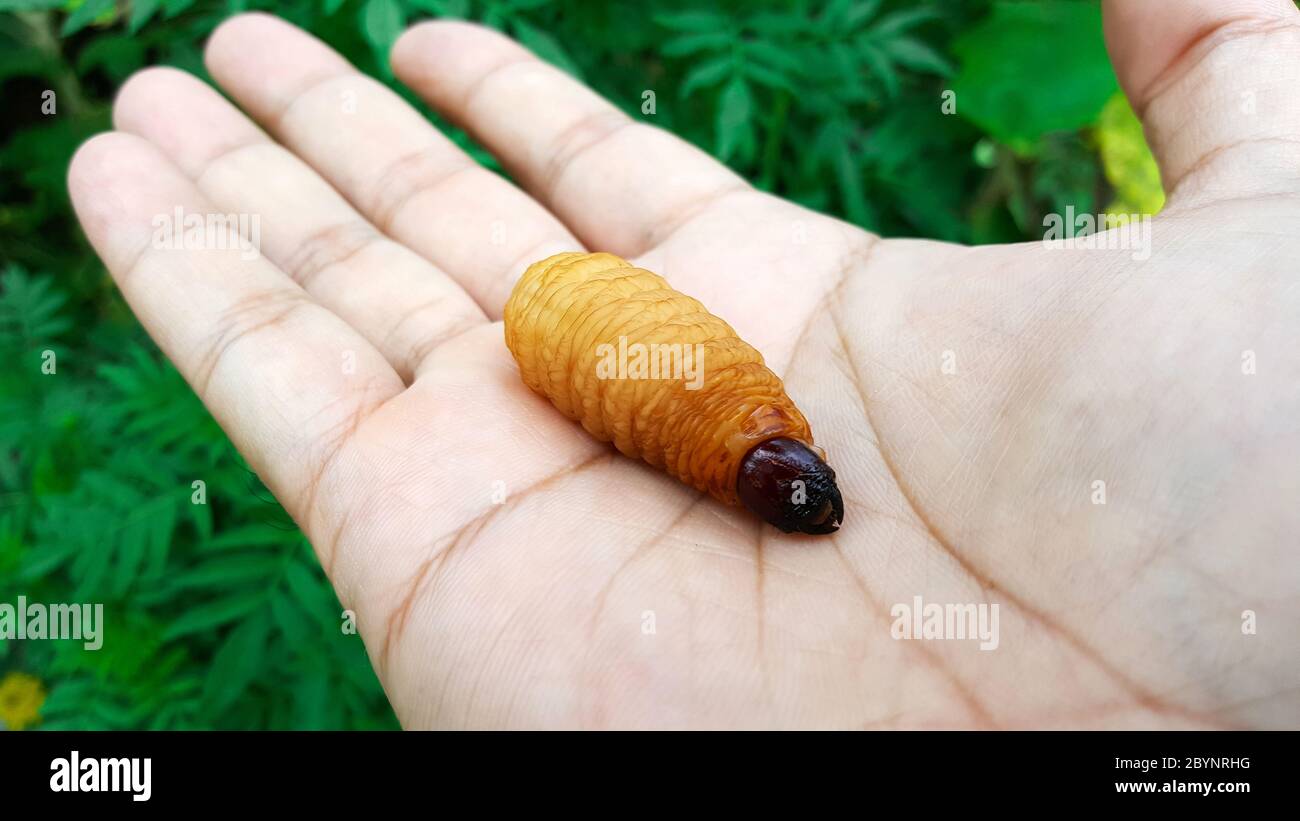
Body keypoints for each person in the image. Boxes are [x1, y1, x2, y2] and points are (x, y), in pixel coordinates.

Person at [67, 1, 1299, 728]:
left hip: (586, 335)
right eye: (785, 477)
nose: (802, 492)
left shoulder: (755, 426)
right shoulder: (708, 409)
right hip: (566, 326)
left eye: (781, 479)